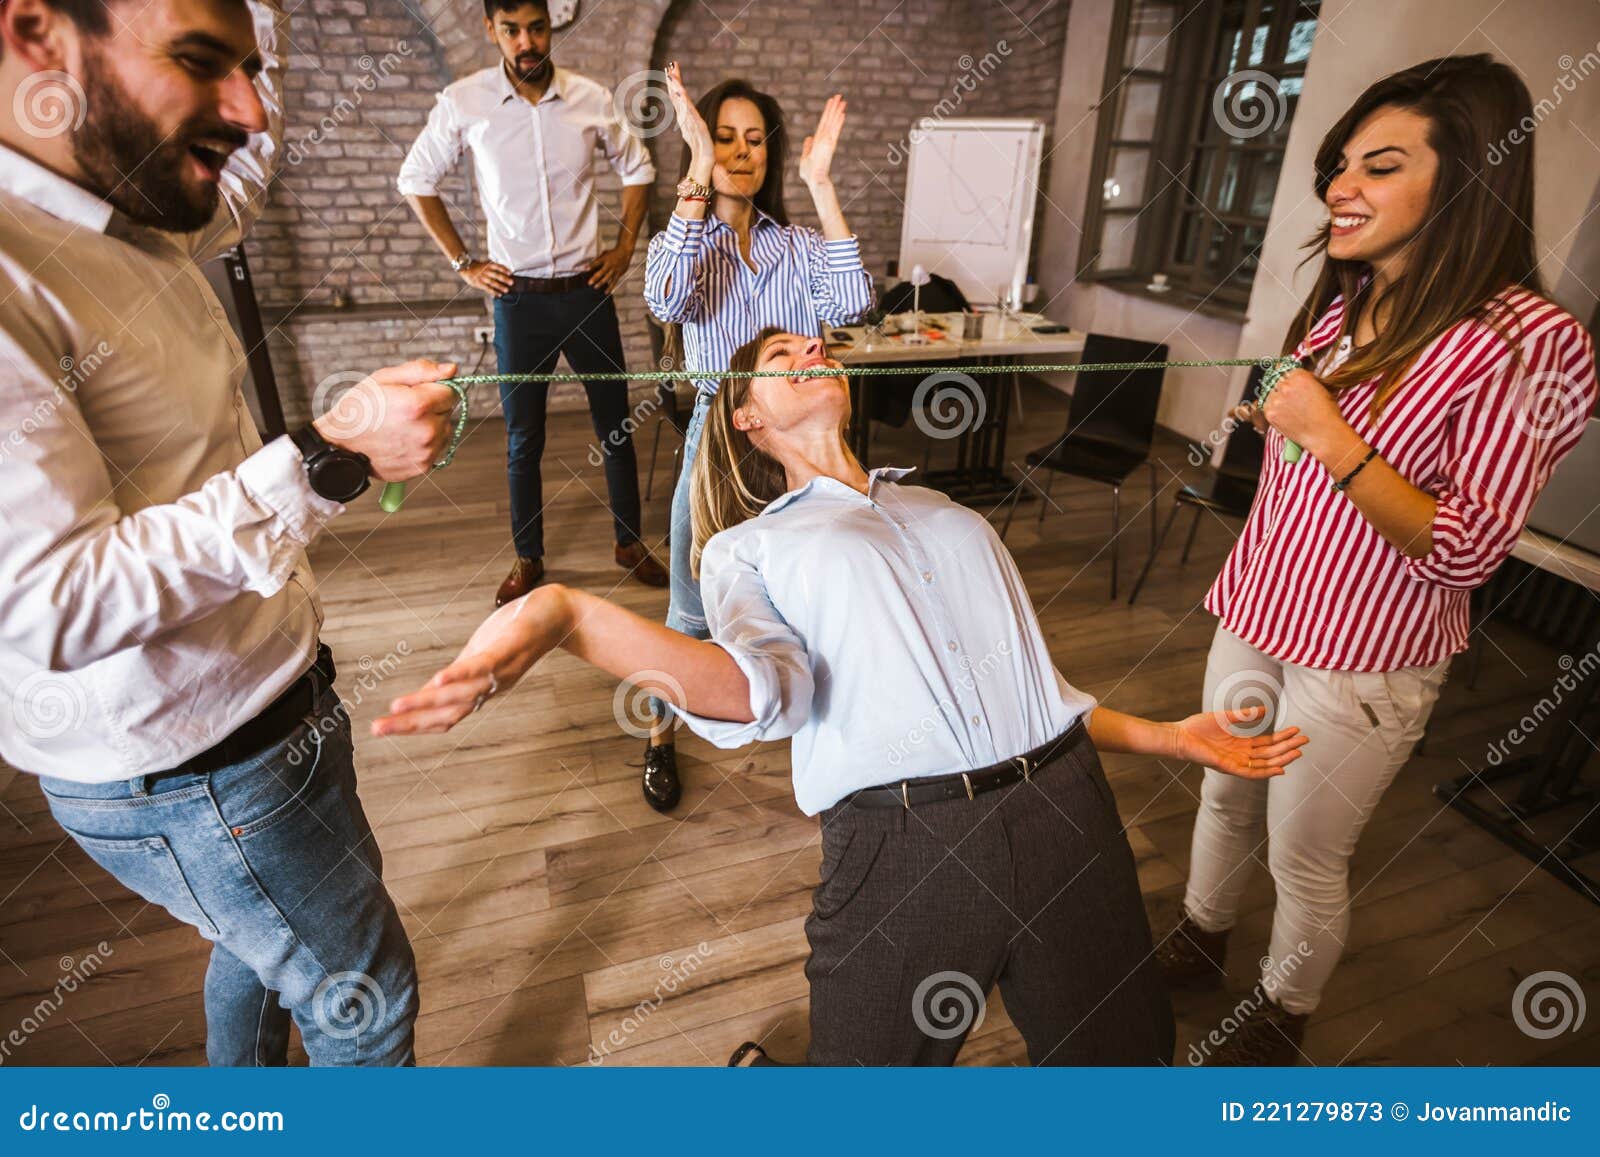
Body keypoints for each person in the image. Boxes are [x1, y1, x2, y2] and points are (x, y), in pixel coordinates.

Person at [373, 328, 1309, 1066]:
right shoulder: (749, 549)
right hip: (909, 846)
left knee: (1129, 1064)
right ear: (747, 418)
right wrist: (569, 616)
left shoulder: (946, 510)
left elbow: (1042, 692)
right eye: (782, 355)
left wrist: (1174, 738)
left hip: (1069, 810)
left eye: (816, 344)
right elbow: (762, 691)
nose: (813, 349)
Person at [0, 0, 459, 1064]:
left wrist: (266, 25)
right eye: (202, 60)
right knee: (365, 999)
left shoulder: (130, 196)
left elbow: (239, 175)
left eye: (253, 66)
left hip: (252, 724)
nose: (249, 108)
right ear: (37, 34)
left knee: (258, 943)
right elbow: (51, 601)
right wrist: (331, 454)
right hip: (198, 765)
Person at [1157, 54, 1598, 1065]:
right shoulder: (1350, 298)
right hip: (1262, 605)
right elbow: (1317, 446)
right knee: (1223, 790)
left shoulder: (1530, 341)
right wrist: (1283, 417)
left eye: (1379, 166)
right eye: (1339, 166)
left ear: (1469, 178)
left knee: (1304, 853)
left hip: (1364, 651)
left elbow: (1467, 547)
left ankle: (1281, 1013)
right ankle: (1198, 936)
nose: (1339, 188)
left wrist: (1325, 430)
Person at [635, 63, 874, 812]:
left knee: (815, 596)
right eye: (724, 138)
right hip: (721, 435)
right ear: (703, 145)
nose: (743, 152)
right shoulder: (687, 242)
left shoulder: (796, 245)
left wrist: (822, 184)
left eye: (756, 140)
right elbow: (663, 296)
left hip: (800, 442)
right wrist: (695, 170)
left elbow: (854, 303)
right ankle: (659, 738)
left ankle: (831, 738)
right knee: (689, 607)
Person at [398, 0, 667, 604]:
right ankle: (528, 557)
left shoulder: (591, 98)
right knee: (524, 438)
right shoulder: (465, 102)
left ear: (551, 27)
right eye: (512, 30)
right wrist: (463, 262)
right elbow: (415, 178)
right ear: (490, 30)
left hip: (587, 293)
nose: (527, 42)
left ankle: (629, 542)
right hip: (518, 302)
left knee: (616, 425)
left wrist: (626, 247)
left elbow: (639, 167)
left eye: (537, 28)